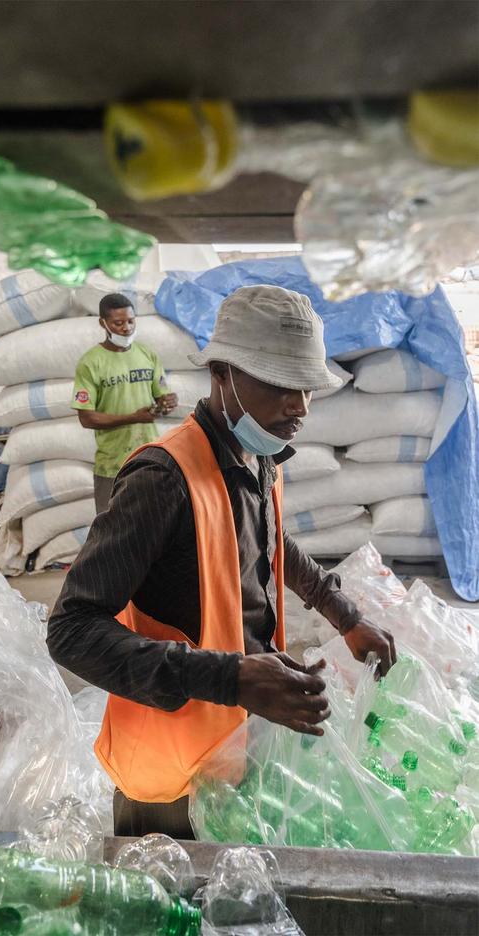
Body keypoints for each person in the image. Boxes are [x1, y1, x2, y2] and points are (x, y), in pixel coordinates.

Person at [48, 285, 396, 839]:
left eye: (305, 386)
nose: (299, 405)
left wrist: (343, 614)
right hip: (171, 779)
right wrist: (230, 678)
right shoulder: (162, 480)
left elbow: (272, 544)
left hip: (232, 747)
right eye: (279, 384)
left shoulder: (256, 457)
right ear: (223, 374)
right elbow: (70, 631)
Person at [71, 293, 179, 514]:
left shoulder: (147, 355)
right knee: (110, 532)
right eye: (118, 323)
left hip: (149, 459)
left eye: (131, 321)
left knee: (152, 526)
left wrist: (167, 402)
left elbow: (160, 397)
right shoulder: (91, 362)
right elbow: (87, 418)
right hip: (112, 465)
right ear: (103, 323)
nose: (126, 328)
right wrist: (134, 417)